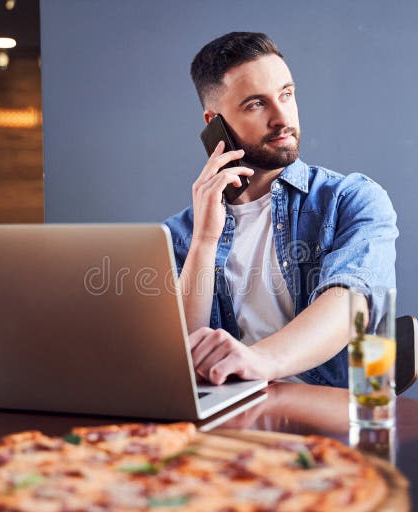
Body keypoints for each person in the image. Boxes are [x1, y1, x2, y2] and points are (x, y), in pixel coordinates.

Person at [164, 32, 397, 388]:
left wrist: (257, 360)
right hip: (229, 425)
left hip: (328, 423)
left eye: (286, 95)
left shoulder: (352, 200)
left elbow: (350, 306)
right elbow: (179, 359)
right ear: (214, 123)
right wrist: (205, 240)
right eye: (256, 104)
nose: (281, 117)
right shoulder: (178, 235)